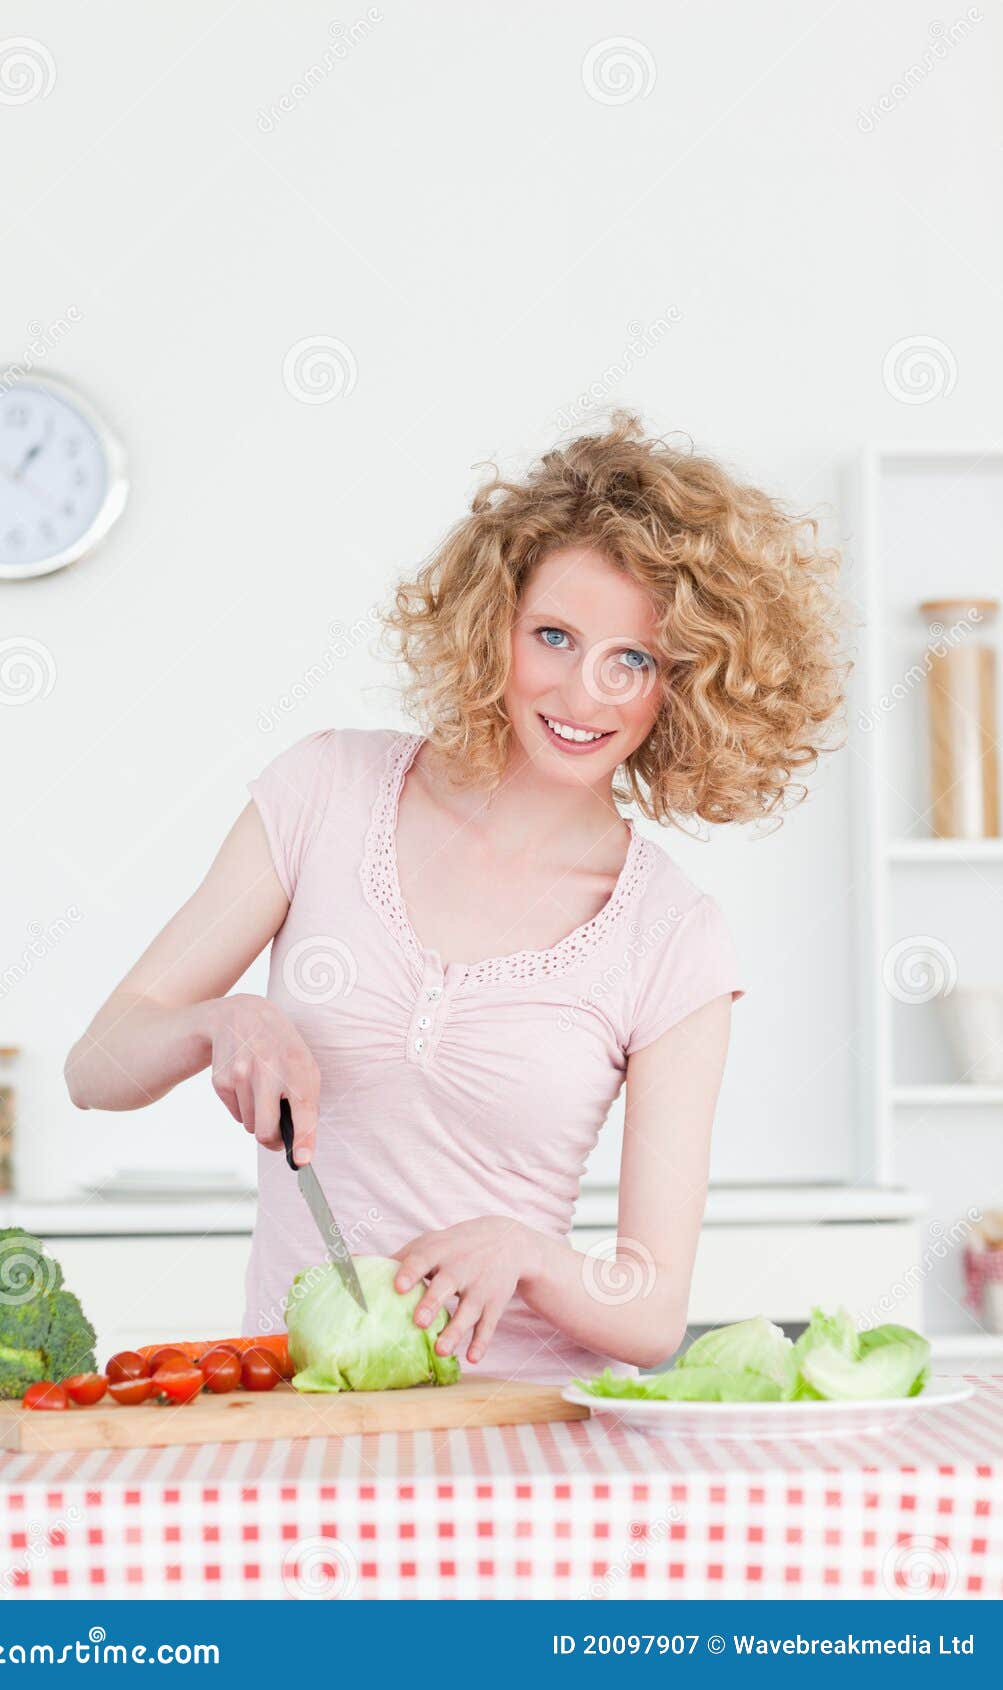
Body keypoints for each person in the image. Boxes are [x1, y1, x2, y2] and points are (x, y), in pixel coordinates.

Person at [65, 412, 846, 1385]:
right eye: (552, 636)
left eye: (633, 660)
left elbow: (648, 1312)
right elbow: (95, 1067)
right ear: (493, 626)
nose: (583, 692)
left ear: (685, 686)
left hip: (515, 1425)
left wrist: (524, 1253)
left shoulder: (670, 933)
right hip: (291, 1405)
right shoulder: (325, 793)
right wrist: (221, 1020)